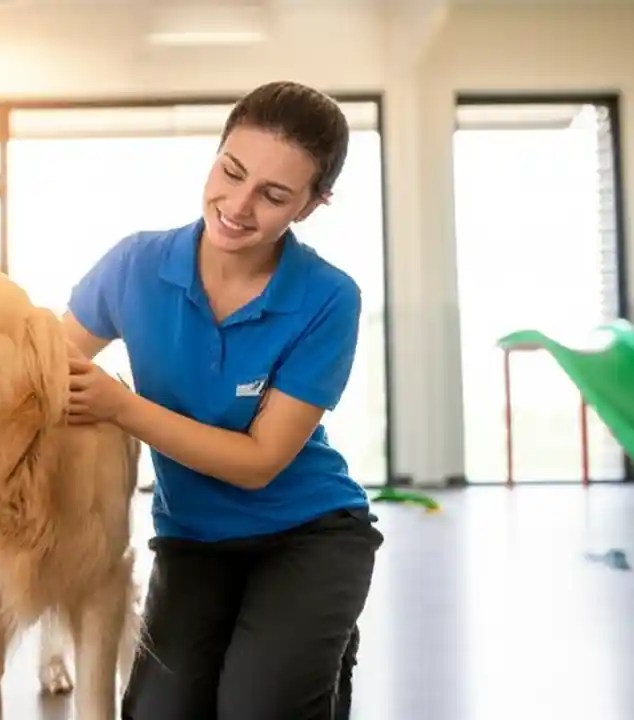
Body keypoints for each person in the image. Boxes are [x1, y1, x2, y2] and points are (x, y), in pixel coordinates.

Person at [61, 80, 384, 720]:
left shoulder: (328, 297)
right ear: (215, 155)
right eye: (231, 172)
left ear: (311, 206)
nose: (237, 206)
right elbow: (44, 367)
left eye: (274, 195)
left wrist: (122, 407)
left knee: (257, 709)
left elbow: (259, 461)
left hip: (309, 535)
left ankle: (312, 641)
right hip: (192, 542)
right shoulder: (134, 265)